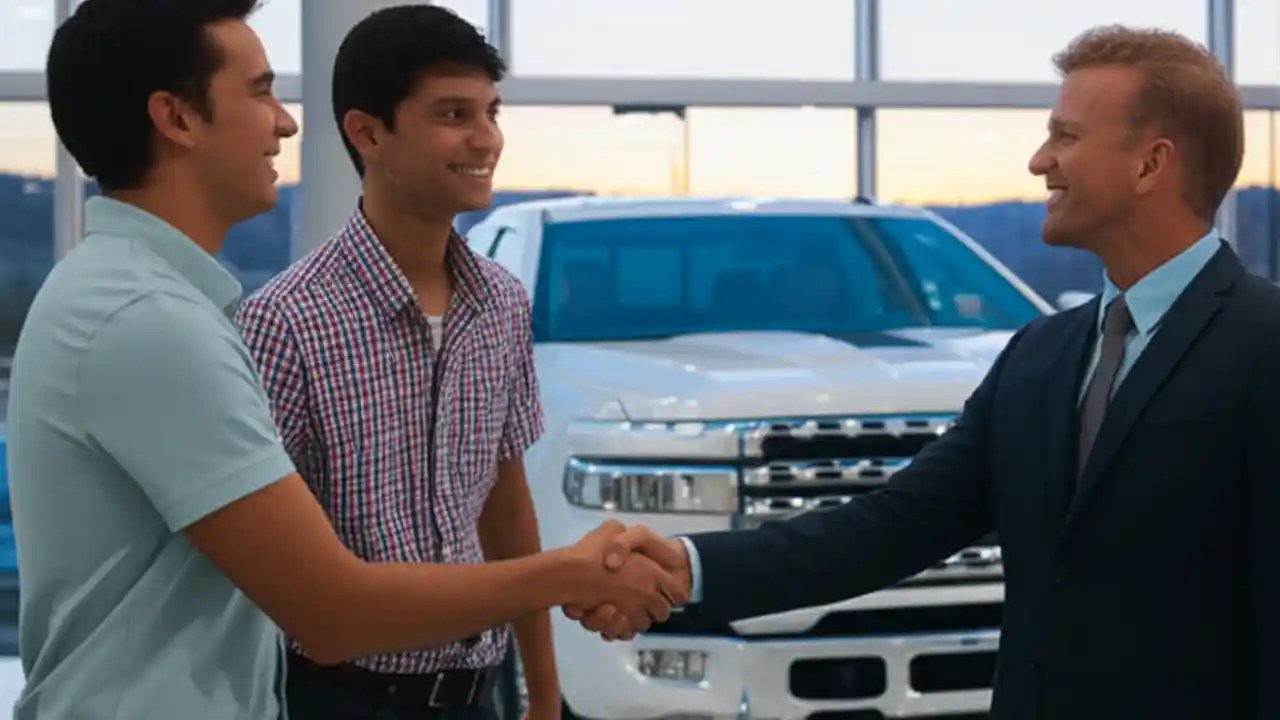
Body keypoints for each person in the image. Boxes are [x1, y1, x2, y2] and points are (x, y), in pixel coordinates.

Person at [574, 25, 1279, 720]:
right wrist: (687, 568)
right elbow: (892, 526)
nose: (1040, 161)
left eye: (1066, 136)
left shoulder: (1264, 342)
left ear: (1151, 165)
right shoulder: (1040, 355)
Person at [5, 2, 681, 718]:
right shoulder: (153, 321)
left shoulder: (142, 300)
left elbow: (497, 499)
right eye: (260, 91)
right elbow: (331, 613)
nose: (286, 123)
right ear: (176, 118)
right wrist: (575, 573)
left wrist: (539, 686)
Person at [232, 6, 568, 718]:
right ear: (368, 132)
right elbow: (255, 567)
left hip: (478, 694)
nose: (486, 140)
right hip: (338, 699)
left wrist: (544, 695)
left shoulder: (502, 304)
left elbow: (506, 507)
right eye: (454, 114)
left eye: (491, 112)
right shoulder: (285, 322)